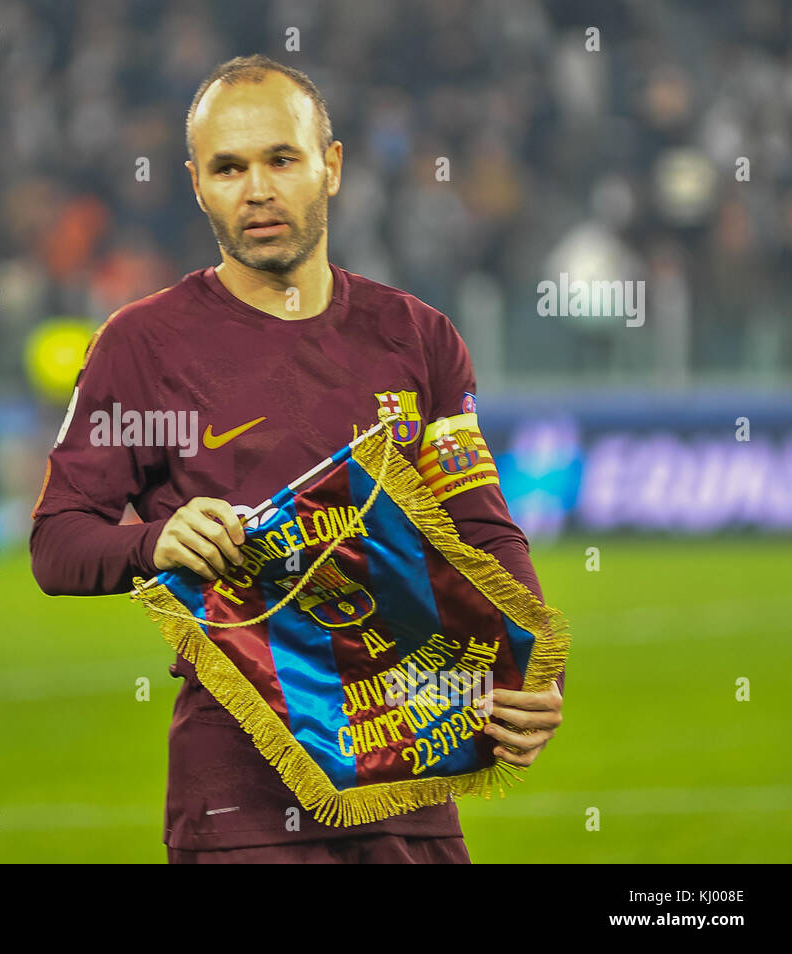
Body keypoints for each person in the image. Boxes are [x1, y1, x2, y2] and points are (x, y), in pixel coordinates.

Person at [30, 55, 564, 864]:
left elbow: (481, 528)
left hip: (407, 763)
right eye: (228, 167)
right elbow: (58, 540)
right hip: (238, 787)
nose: (257, 189)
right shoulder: (140, 345)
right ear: (198, 184)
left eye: (281, 158)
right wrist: (155, 543)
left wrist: (534, 669)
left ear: (332, 165)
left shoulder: (418, 338)